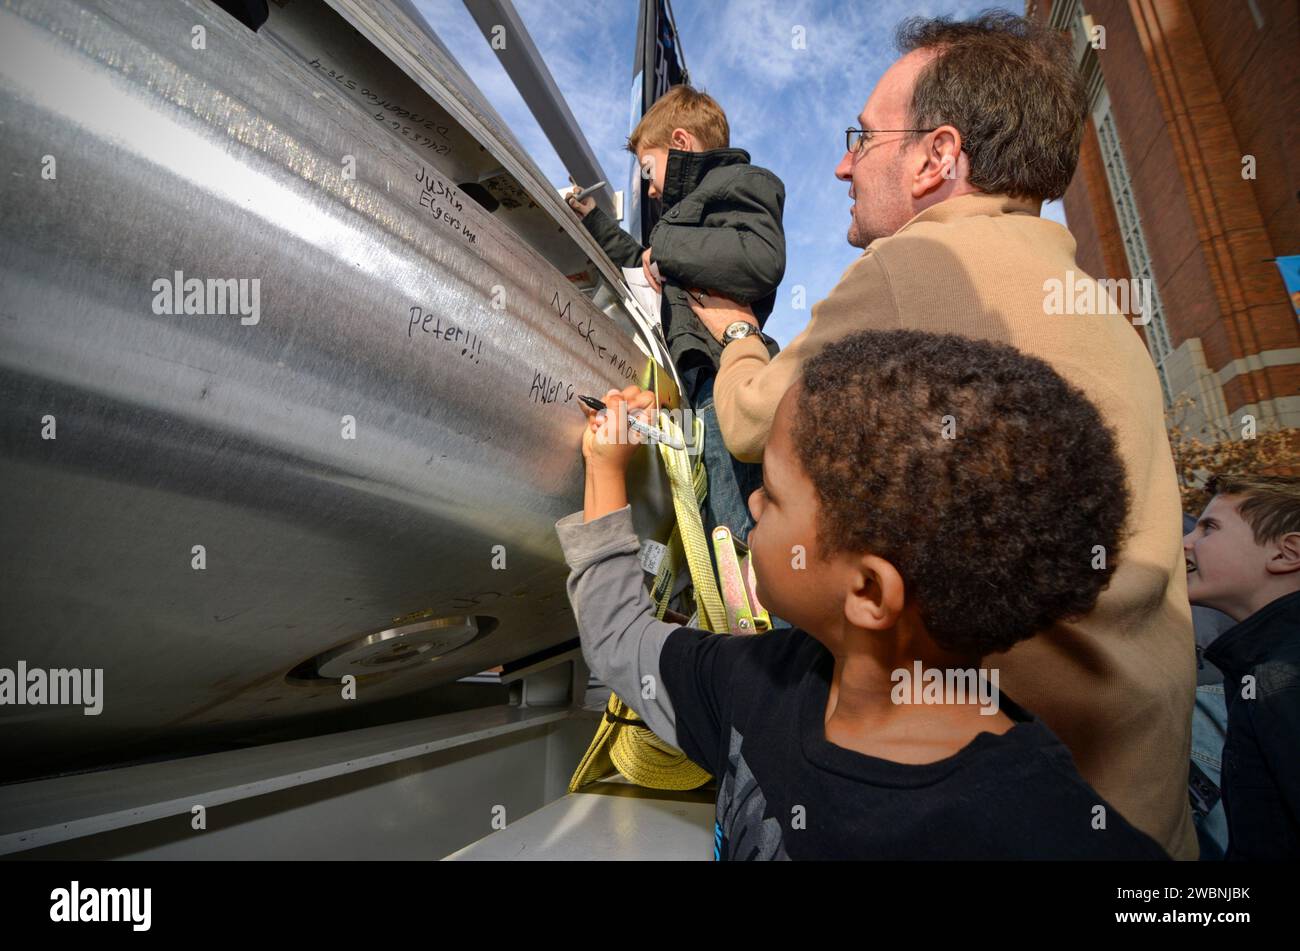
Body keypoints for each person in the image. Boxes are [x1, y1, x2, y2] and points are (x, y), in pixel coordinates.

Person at [683, 12, 1197, 857]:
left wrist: (736, 331)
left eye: (863, 137)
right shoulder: (1090, 299)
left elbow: (749, 421)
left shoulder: (916, 264)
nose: (844, 162)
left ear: (936, 158)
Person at [556, 329, 1168, 860]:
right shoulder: (759, 684)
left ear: (869, 592)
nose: (751, 505)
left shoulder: (1047, 835)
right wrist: (606, 470)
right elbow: (622, 642)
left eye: (772, 492)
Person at [566, 85, 785, 542]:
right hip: (693, 388)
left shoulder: (744, 183)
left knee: (736, 522)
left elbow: (761, 258)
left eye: (648, 169)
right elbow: (638, 262)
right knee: (707, 517)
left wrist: (664, 249)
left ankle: (762, 607)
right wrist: (592, 219)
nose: (649, 187)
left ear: (681, 144)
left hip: (727, 378)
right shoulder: (683, 229)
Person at [1185, 474, 1300, 860]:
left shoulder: (1283, 679)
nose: (1185, 543)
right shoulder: (1260, 667)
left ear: (1287, 554)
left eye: (1209, 528)